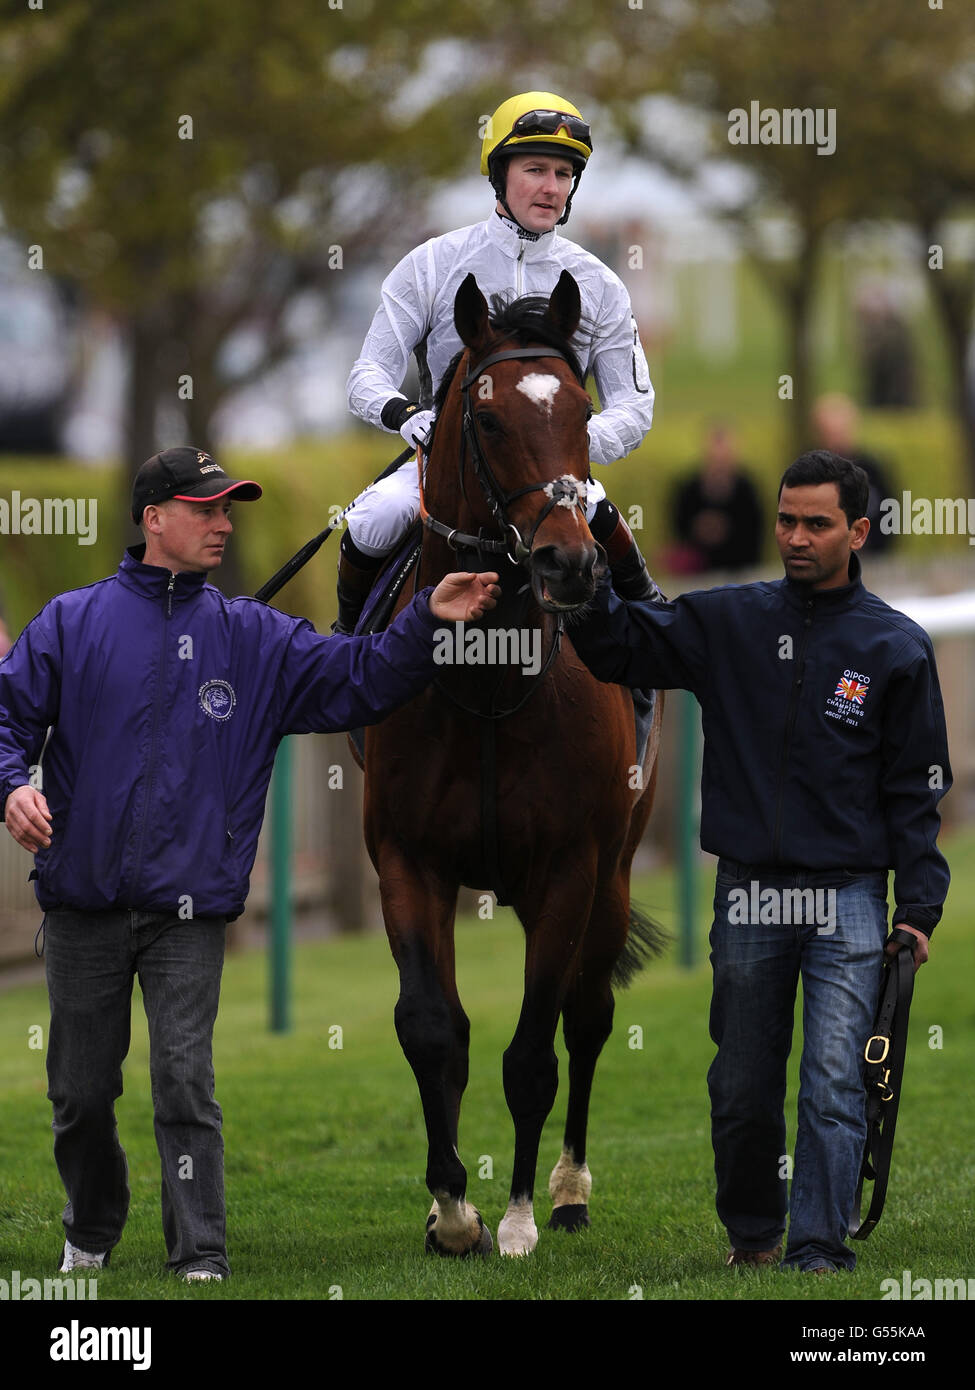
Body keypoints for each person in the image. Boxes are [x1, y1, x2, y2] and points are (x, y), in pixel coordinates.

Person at [0, 445, 499, 1282]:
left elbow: (360, 677)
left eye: (228, 510)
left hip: (189, 912)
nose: (223, 524)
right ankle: (90, 1225)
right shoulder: (71, 622)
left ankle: (200, 1252)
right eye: (206, 509)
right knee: (80, 1096)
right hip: (80, 903)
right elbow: (6, 717)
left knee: (184, 1085)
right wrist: (13, 785)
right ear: (153, 518)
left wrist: (422, 621)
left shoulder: (251, 637)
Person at [566, 449, 951, 1273]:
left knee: (832, 1087)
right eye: (785, 520)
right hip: (748, 898)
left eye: (816, 523)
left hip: (849, 898)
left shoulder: (897, 647)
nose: (796, 537)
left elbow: (916, 794)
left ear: (858, 531)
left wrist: (917, 908)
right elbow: (623, 651)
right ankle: (752, 1238)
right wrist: (583, 587)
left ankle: (816, 1248)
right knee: (740, 1091)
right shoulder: (726, 621)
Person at [336, 90, 659, 633]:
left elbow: (634, 404)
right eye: (535, 169)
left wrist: (569, 444)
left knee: (610, 532)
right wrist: (404, 416)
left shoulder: (601, 285)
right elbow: (365, 377)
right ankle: (345, 653)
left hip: (559, 480)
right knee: (373, 518)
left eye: (563, 173)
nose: (551, 187)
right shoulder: (431, 264)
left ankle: (646, 669)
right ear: (499, 176)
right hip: (443, 464)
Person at [666, 421, 763, 574]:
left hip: (739, 573)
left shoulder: (748, 489)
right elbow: (677, 531)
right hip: (697, 575)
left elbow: (756, 534)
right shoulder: (687, 489)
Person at [811, 394, 896, 553]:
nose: (837, 440)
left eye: (840, 432)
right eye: (830, 433)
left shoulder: (872, 470)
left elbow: (890, 512)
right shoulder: (810, 472)